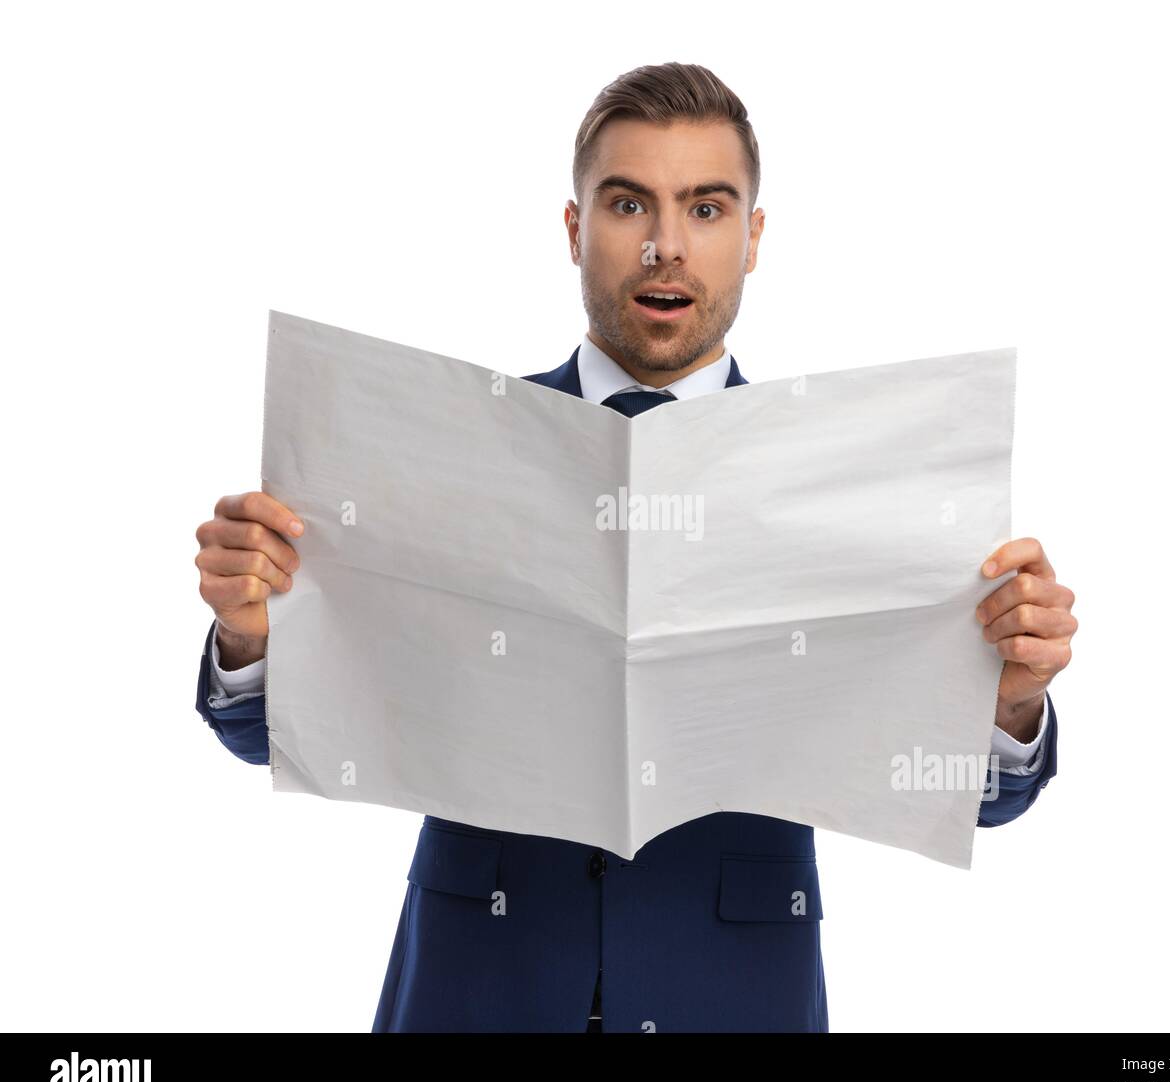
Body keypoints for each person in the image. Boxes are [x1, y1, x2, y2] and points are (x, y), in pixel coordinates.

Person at [193, 62, 1077, 1032]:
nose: (664, 246)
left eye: (705, 208)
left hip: (735, 996)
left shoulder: (850, 488)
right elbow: (272, 731)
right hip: (474, 988)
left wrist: (1009, 700)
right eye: (627, 205)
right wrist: (249, 639)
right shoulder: (442, 453)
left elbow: (977, 801)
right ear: (574, 227)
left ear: (752, 238)